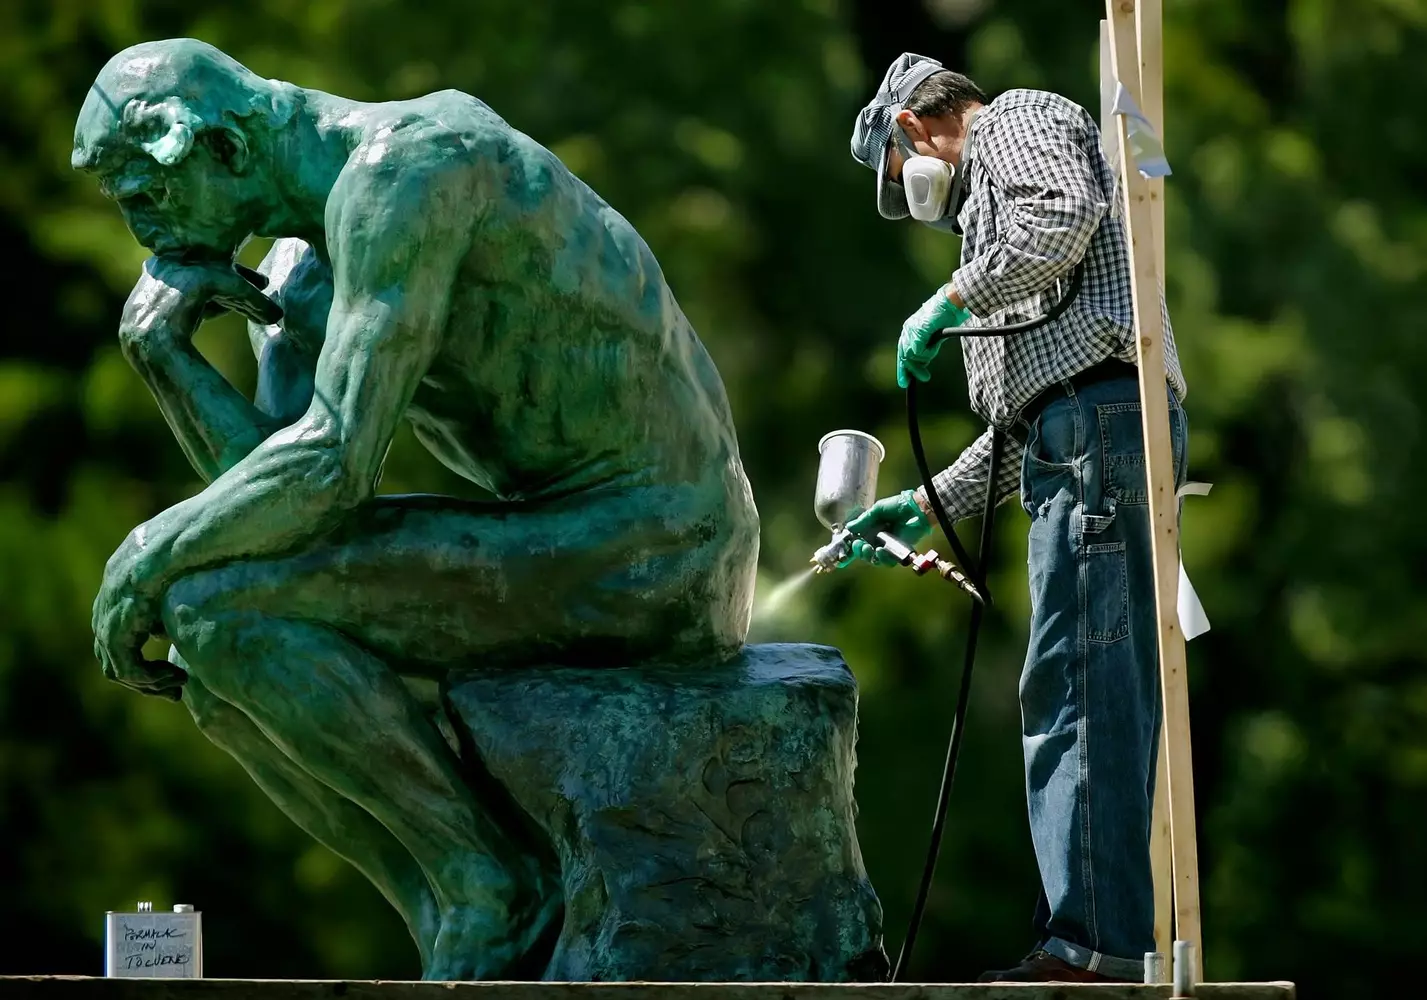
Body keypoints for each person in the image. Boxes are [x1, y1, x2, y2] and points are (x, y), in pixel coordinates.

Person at [72, 38, 758, 979]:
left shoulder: (415, 166)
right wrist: (167, 359)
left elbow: (332, 469)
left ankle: (492, 891)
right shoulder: (303, 268)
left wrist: (146, 553)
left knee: (209, 606)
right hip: (558, 534)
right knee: (210, 646)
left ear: (223, 148)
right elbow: (279, 503)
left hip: (656, 543)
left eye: (145, 194)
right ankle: (450, 910)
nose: (144, 231)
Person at [845, 53, 1188, 983]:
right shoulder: (1000, 204)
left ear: (911, 132)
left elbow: (1060, 220)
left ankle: (1093, 949)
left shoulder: (1012, 122)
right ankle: (1087, 937)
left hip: (1101, 425)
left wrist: (949, 299)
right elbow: (1023, 422)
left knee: (1079, 678)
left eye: (894, 176)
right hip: (1082, 431)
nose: (917, 200)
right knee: (1081, 681)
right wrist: (923, 506)